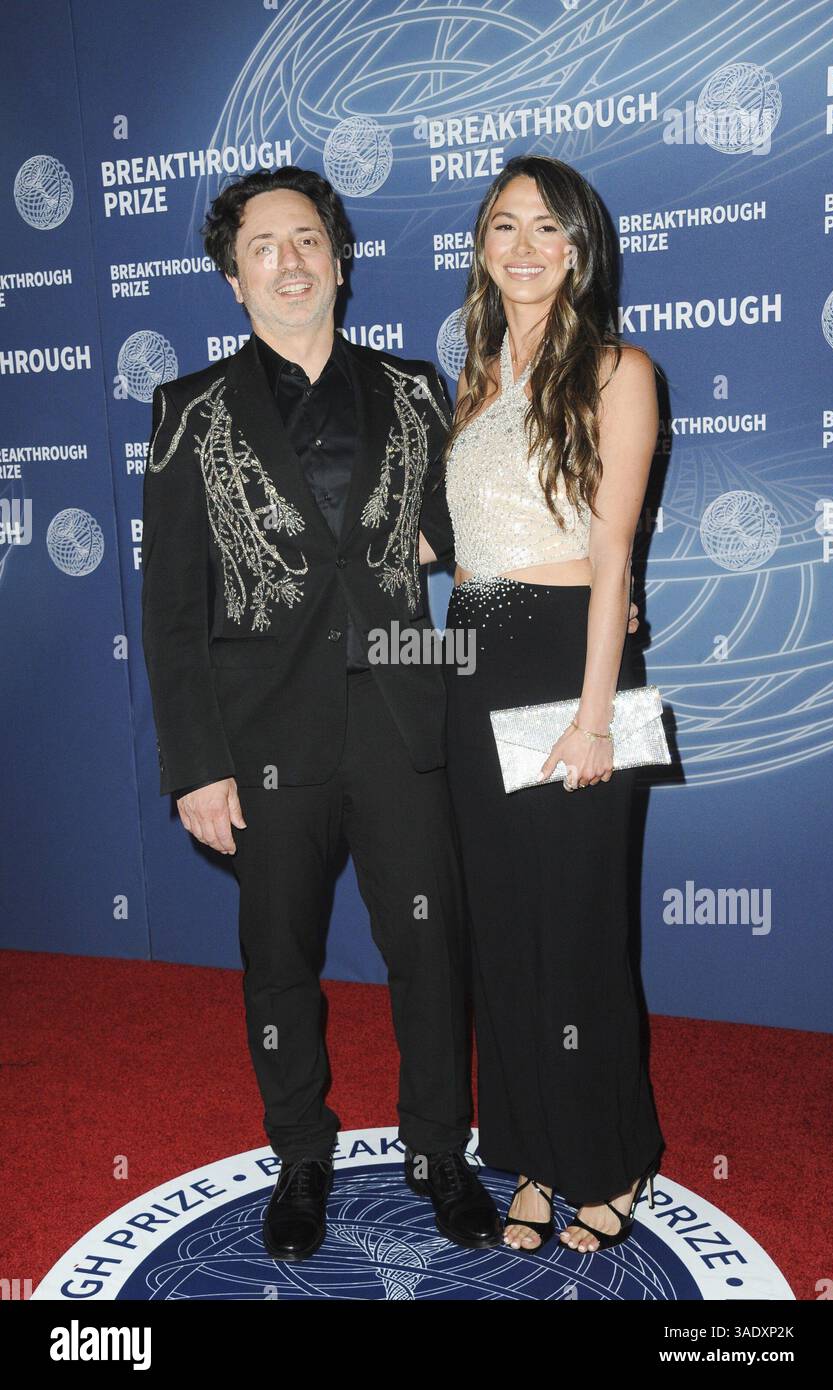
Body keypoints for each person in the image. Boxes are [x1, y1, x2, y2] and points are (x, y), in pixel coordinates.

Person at [140, 165, 505, 1262]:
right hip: (263, 741)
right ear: (232, 276)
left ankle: (439, 1148)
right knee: (279, 961)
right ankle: (299, 1153)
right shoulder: (189, 410)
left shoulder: (413, 390)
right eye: (264, 246)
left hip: (404, 718)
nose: (289, 261)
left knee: (431, 955)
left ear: (338, 260)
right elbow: (169, 611)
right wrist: (193, 765)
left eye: (308, 240)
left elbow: (462, 539)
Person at [441, 154, 666, 1255]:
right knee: (504, 933)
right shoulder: (474, 375)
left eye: (546, 227)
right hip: (473, 653)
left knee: (577, 930)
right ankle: (531, 1152)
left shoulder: (620, 369)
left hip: (571, 661)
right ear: (481, 246)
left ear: (580, 247)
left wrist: (590, 717)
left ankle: (609, 1154)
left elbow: (612, 550)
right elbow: (463, 542)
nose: (522, 246)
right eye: (502, 225)